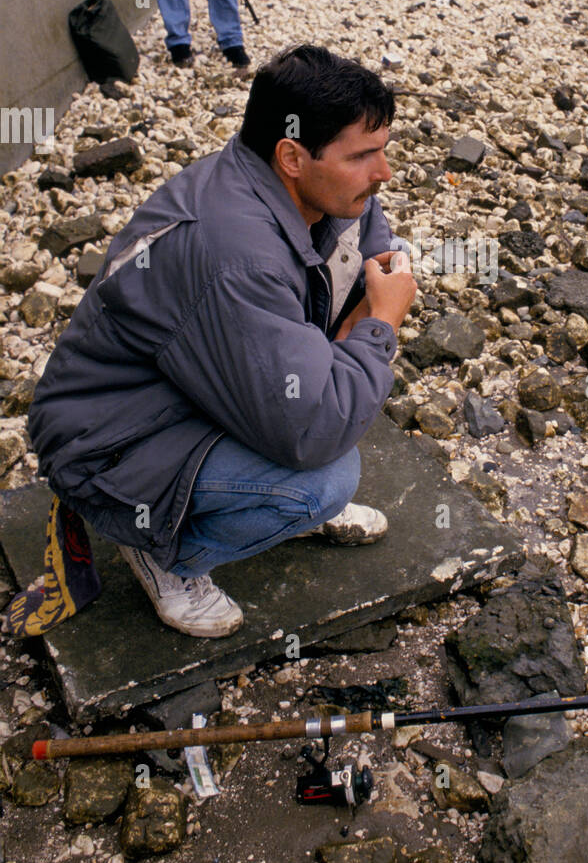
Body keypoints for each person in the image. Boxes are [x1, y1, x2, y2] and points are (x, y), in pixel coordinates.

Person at [14, 46, 418, 640]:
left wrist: (370, 296)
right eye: (363, 156)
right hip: (106, 440)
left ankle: (240, 498)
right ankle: (162, 546)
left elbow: (371, 240)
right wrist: (379, 326)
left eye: (383, 149)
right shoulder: (235, 252)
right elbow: (315, 429)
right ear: (292, 156)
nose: (383, 172)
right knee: (324, 480)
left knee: (340, 399)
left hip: (192, 389)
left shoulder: (307, 187)